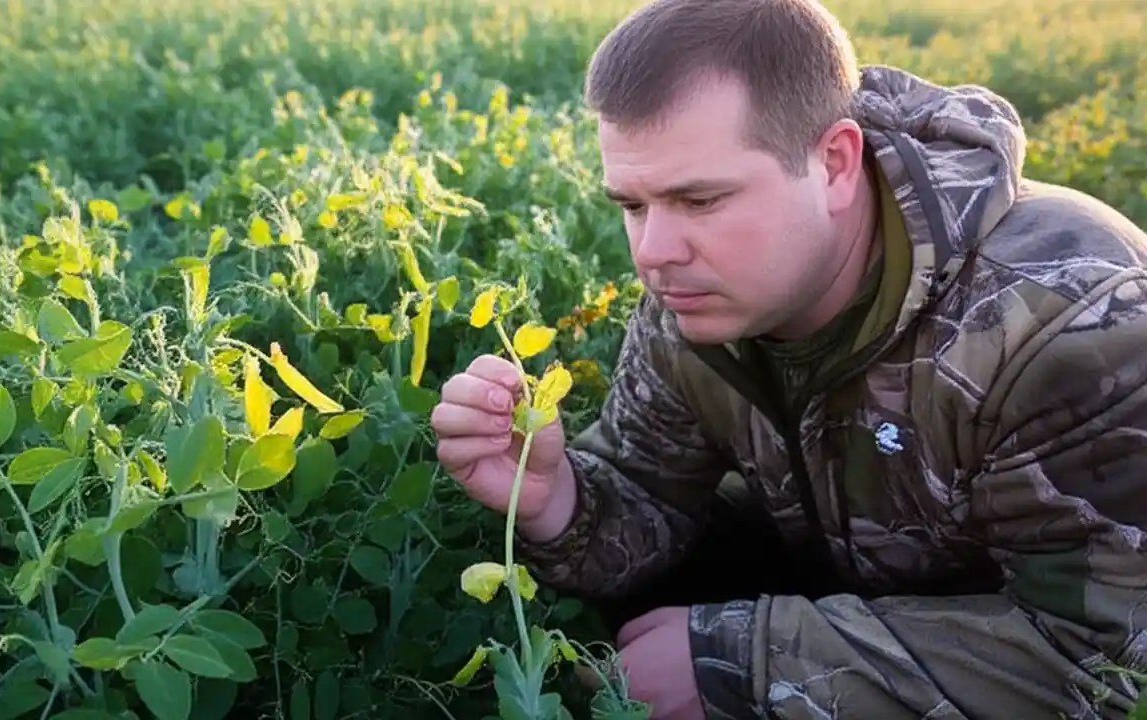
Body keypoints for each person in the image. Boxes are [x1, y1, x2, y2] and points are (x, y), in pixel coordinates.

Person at [430, 0, 1147, 717]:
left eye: (701, 199)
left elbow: (1112, 661)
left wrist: (747, 663)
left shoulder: (1073, 322)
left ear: (835, 163)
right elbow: (649, 492)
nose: (653, 255)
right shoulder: (703, 297)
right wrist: (553, 497)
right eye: (634, 206)